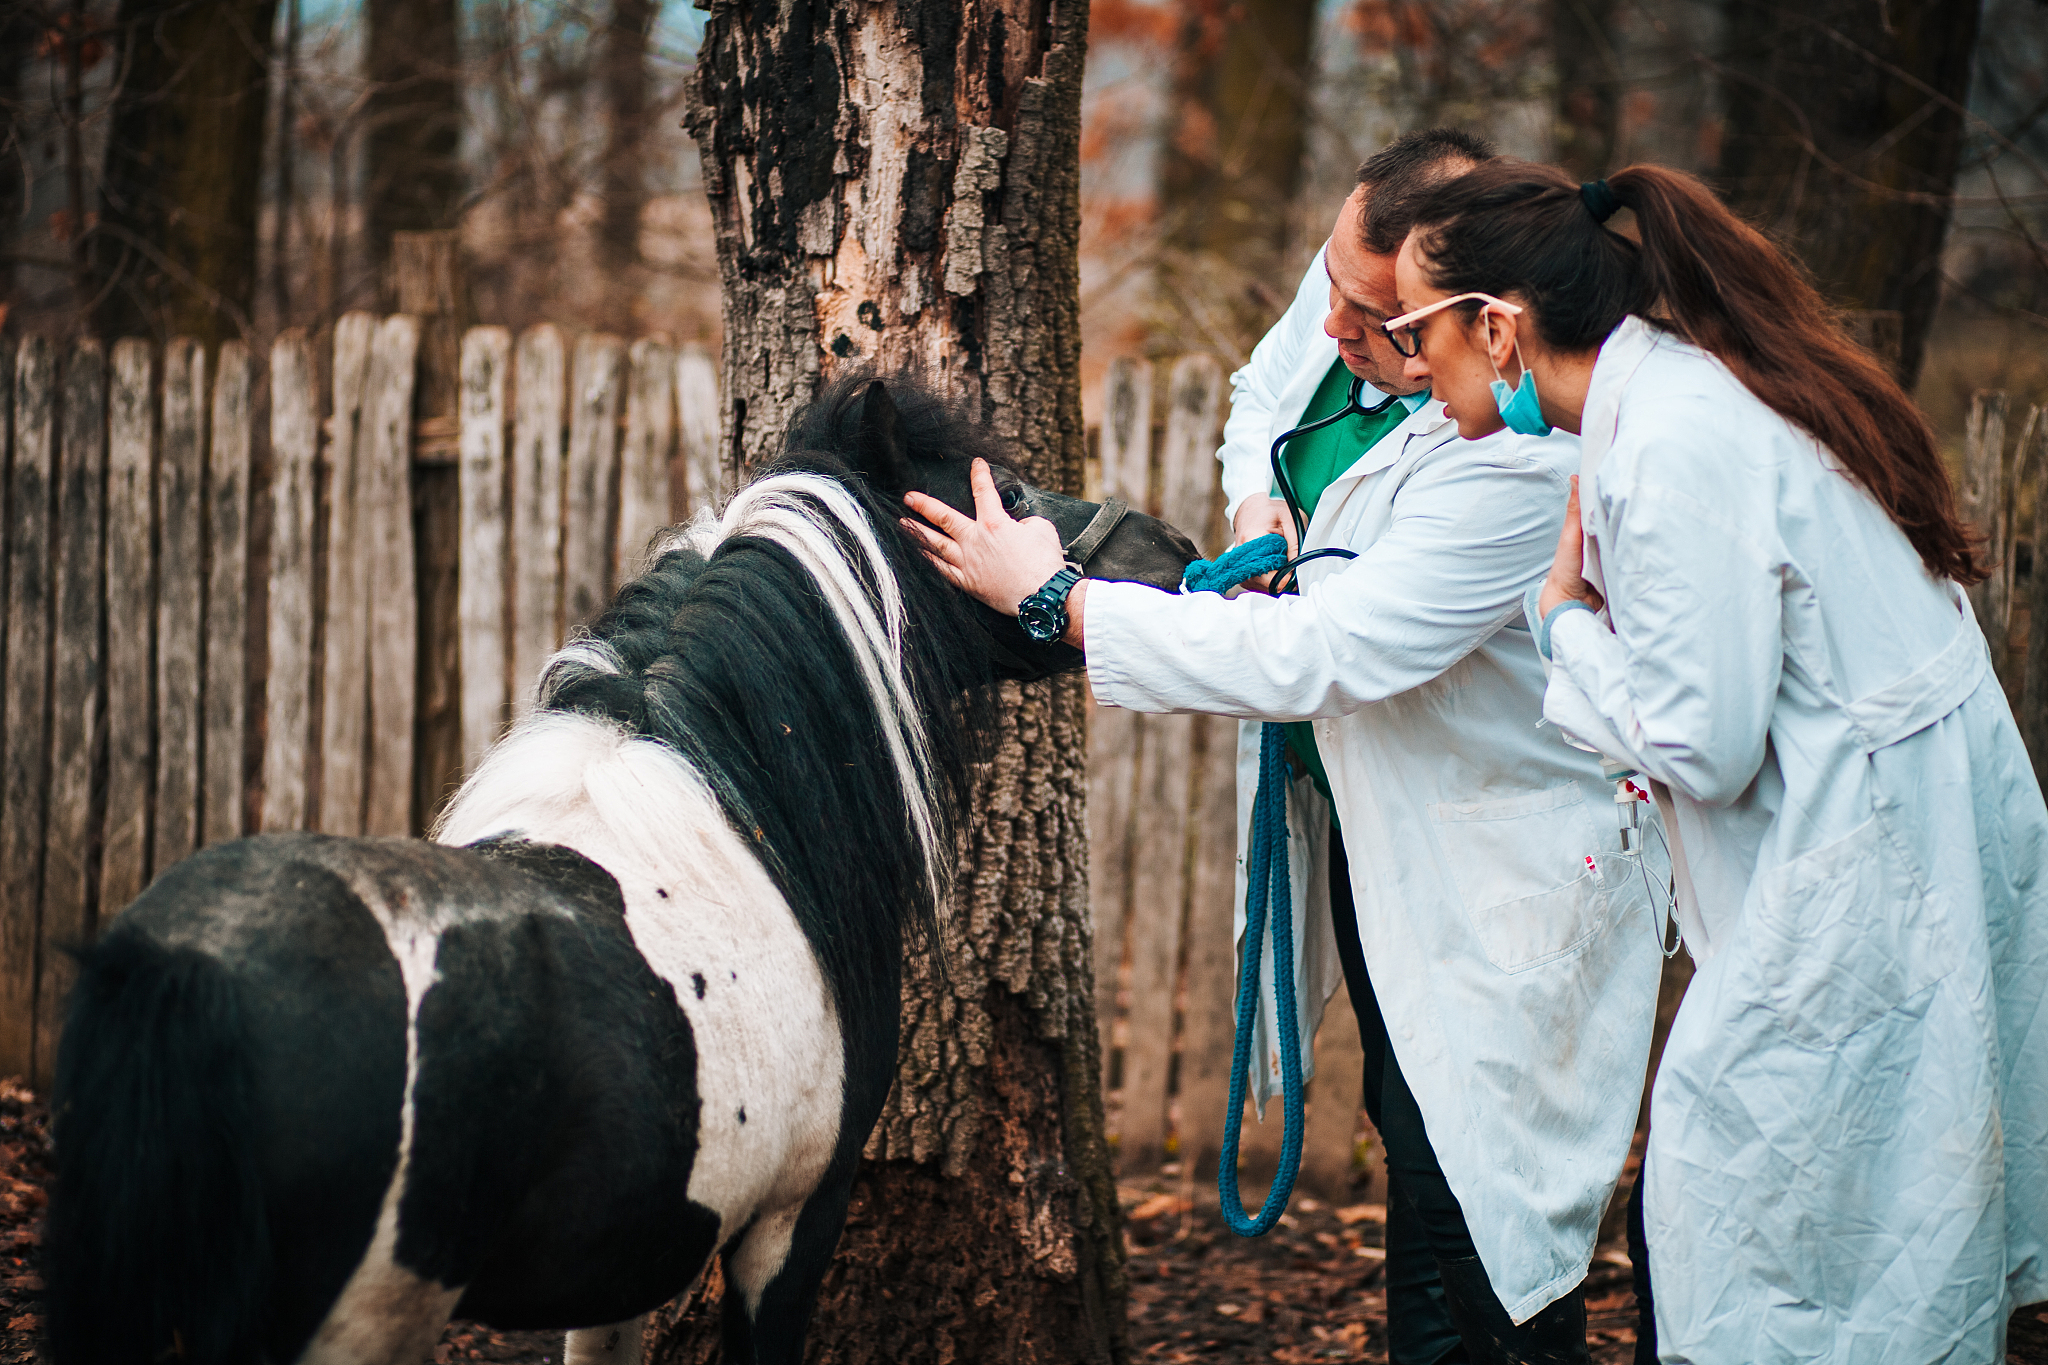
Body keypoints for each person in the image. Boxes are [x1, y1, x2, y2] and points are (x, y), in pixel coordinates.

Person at [903, 129, 1665, 1365]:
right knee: (1419, 1156)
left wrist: (1057, 603)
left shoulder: (1519, 460)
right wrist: (1265, 512)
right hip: (1383, 834)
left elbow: (1325, 651)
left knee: (1488, 1208)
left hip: (1495, 871)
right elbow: (1266, 398)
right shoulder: (1388, 316)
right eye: (1342, 292)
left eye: (1381, 319)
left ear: (1478, 315)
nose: (1343, 335)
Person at [1384, 159, 2048, 1362]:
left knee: (1779, 1227)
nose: (1406, 361)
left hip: (1867, 878)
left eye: (1412, 328)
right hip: (1877, 851)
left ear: (1496, 324)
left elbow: (1704, 742)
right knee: (1825, 1223)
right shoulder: (1678, 399)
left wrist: (1561, 627)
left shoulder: (1671, 445)